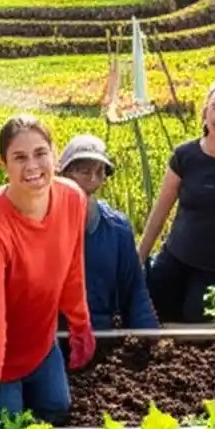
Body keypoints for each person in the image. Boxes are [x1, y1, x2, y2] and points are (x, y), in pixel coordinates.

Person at [0, 115, 96, 429]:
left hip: (39, 342)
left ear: (55, 156)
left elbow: (72, 269)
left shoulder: (73, 199)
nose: (32, 165)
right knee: (9, 426)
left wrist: (80, 323)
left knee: (55, 410)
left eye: (40, 153)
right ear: (4, 164)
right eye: (19, 157)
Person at [138, 80, 215, 323]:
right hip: (175, 255)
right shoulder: (185, 155)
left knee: (195, 323)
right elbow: (160, 211)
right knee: (151, 312)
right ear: (205, 110)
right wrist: (138, 258)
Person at [56, 134, 158, 331]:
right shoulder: (39, 224)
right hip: (52, 336)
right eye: (83, 170)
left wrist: (148, 340)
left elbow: (135, 292)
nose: (92, 178)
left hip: (99, 332)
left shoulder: (117, 229)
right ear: (62, 173)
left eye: (99, 171)